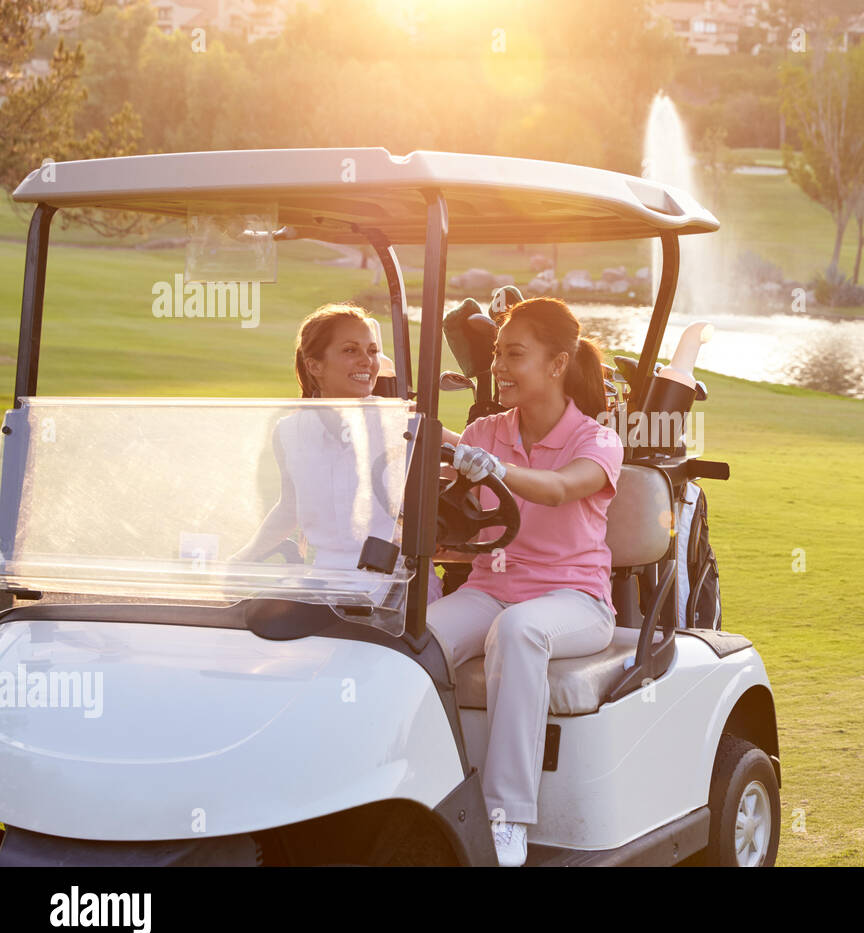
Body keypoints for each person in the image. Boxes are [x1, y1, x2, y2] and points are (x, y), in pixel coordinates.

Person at [427, 296, 621, 867]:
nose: (499, 368)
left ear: (557, 364)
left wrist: (496, 469)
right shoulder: (485, 430)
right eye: (496, 354)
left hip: (574, 599)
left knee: (519, 632)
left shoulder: (596, 439)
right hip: (491, 588)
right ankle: (421, 789)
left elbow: (562, 488)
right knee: (415, 639)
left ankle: (506, 814)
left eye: (514, 354)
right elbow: (453, 501)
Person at [230, 303, 437, 600]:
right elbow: (290, 506)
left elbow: (463, 455)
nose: (367, 361)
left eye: (372, 351)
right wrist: (241, 560)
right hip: (326, 582)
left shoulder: (401, 422)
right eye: (351, 350)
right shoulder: (289, 432)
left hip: (397, 586)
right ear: (315, 365)